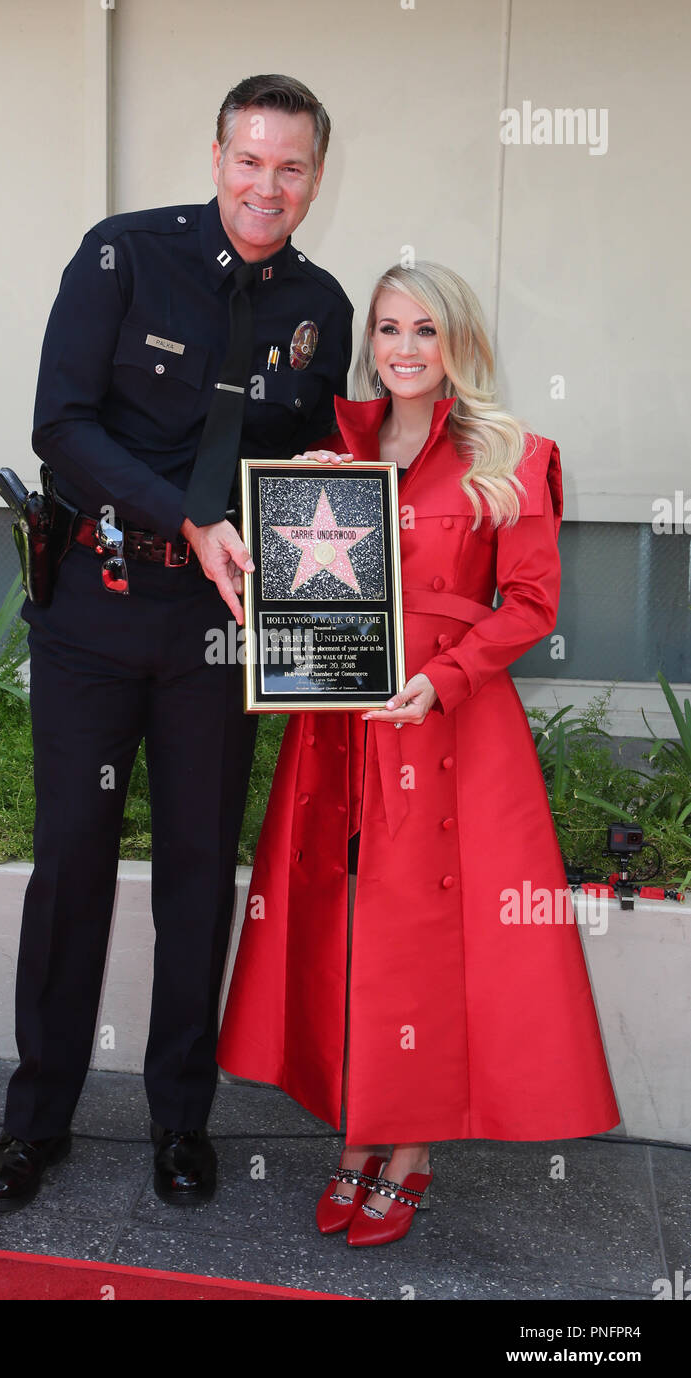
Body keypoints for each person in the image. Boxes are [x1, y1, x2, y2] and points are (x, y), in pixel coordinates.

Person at [0, 74, 353, 1212]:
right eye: (249, 158)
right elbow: (62, 425)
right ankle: (34, 1123)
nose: (265, 184)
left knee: (197, 870)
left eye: (290, 166)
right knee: (71, 863)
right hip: (94, 605)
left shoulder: (320, 308)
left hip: (216, 632)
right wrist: (179, 511)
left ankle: (180, 1122)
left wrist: (324, 486)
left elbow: (304, 469)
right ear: (218, 155)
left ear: (316, 176)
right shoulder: (120, 256)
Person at [216, 261, 620, 1246]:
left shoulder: (512, 453)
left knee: (432, 938)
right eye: (389, 329)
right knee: (343, 924)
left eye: (425, 330)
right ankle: (360, 1131)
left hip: (448, 718)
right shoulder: (333, 444)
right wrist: (288, 525)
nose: (403, 348)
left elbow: (530, 603)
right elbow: (302, 589)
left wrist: (446, 677)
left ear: (458, 343)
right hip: (341, 723)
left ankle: (410, 1151)